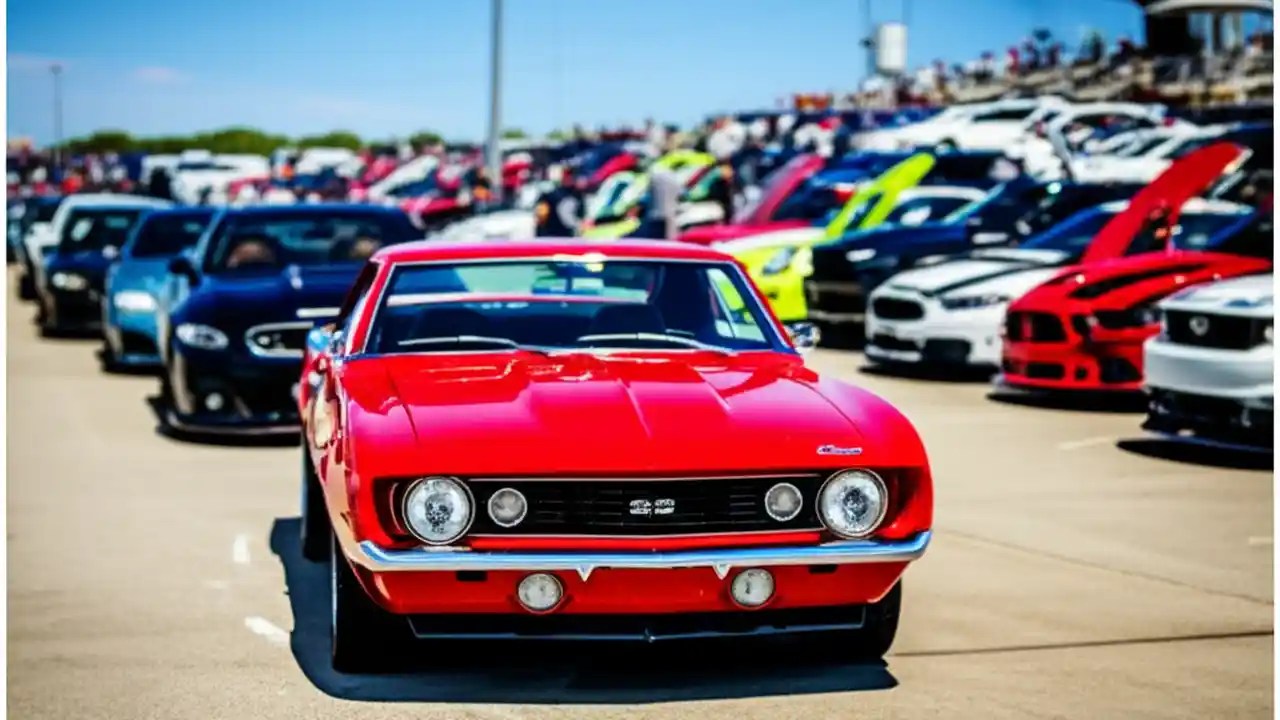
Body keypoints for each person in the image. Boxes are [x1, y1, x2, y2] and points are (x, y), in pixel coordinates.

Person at [533, 165, 584, 237]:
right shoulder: (547, 194)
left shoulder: (578, 195)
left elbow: (581, 217)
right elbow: (540, 218)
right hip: (549, 237)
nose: (569, 178)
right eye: (566, 175)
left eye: (571, 175)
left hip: (569, 238)